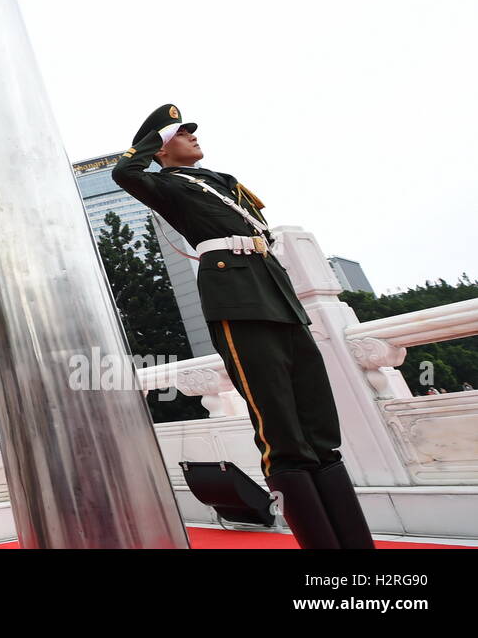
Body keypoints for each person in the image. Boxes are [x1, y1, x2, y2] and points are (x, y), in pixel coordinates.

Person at [112, 104, 374, 549]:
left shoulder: (223, 183)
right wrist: (153, 138)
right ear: (160, 146)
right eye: (181, 133)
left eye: (192, 131)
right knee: (281, 432)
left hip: (278, 296)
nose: (193, 136)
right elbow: (125, 173)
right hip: (236, 298)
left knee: (319, 425)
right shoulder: (164, 184)